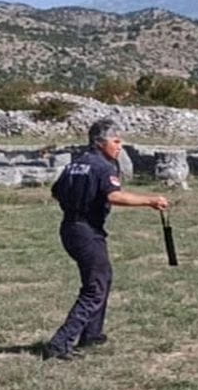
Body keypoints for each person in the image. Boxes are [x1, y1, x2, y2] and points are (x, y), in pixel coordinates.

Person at [45, 118, 169, 361]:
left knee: (102, 278)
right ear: (100, 142)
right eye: (116, 141)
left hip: (70, 227)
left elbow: (56, 191)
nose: (119, 146)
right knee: (95, 288)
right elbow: (115, 196)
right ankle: (60, 343)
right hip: (87, 232)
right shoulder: (103, 166)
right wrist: (151, 201)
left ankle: (92, 333)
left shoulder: (76, 164)